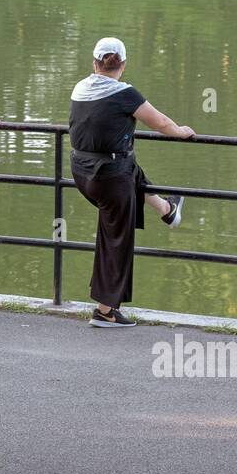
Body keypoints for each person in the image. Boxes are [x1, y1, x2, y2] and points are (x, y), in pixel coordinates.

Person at [69, 37, 195, 329]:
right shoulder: (124, 94)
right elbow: (161, 123)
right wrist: (181, 131)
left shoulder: (80, 88)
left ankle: (166, 208)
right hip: (110, 179)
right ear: (123, 65)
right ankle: (105, 312)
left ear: (94, 63)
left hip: (81, 172)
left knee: (129, 166)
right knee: (116, 242)